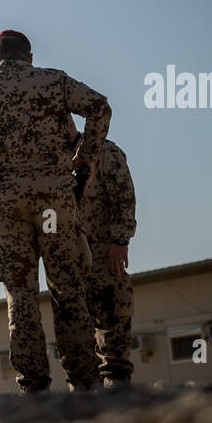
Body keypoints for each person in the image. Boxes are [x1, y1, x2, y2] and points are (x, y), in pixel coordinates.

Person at [0, 30, 109, 393]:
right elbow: (100, 107)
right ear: (30, 56)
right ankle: (85, 381)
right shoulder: (54, 81)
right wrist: (83, 158)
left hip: (7, 205)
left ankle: (34, 386)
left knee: (21, 292)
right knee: (68, 286)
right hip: (54, 201)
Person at [68, 114, 137, 385]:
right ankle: (83, 389)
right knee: (75, 327)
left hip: (104, 251)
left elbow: (124, 197)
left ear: (70, 123)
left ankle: (117, 384)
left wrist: (120, 241)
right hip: (70, 259)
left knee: (114, 315)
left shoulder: (104, 152)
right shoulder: (50, 162)